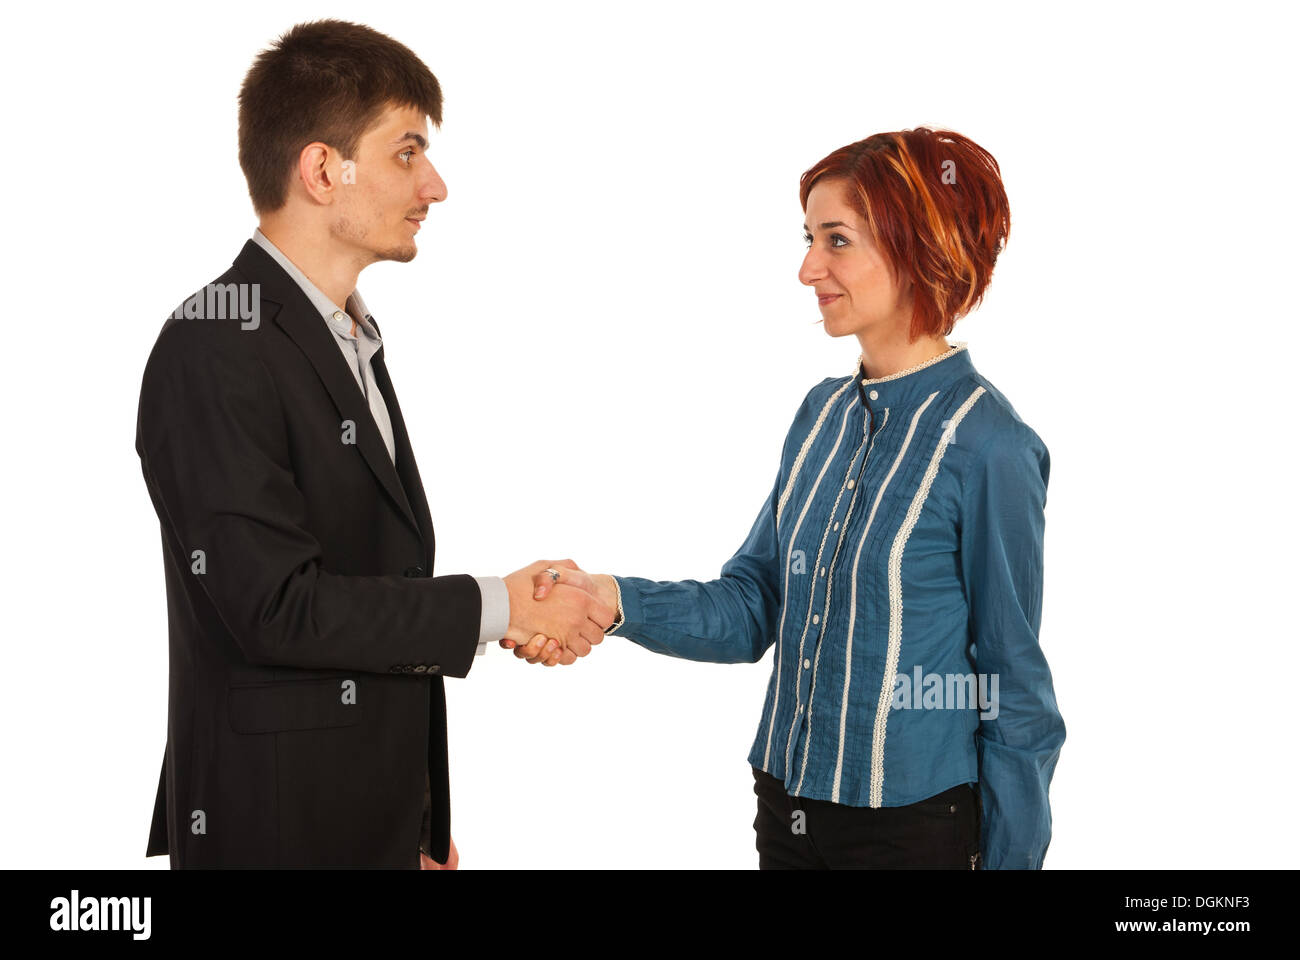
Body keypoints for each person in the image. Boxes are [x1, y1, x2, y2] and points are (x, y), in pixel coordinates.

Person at [134, 19, 614, 869]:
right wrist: (501, 604)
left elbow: (373, 589)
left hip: (364, 825)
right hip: (275, 834)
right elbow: (276, 610)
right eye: (406, 153)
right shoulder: (212, 344)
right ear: (323, 170)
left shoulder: (348, 338)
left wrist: (416, 818)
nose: (434, 185)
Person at [519, 128, 1066, 869]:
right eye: (809, 238)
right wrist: (608, 600)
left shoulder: (991, 447)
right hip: (784, 808)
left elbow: (1012, 687)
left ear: (919, 248)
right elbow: (752, 607)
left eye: (836, 240)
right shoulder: (821, 415)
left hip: (911, 831)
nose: (809, 268)